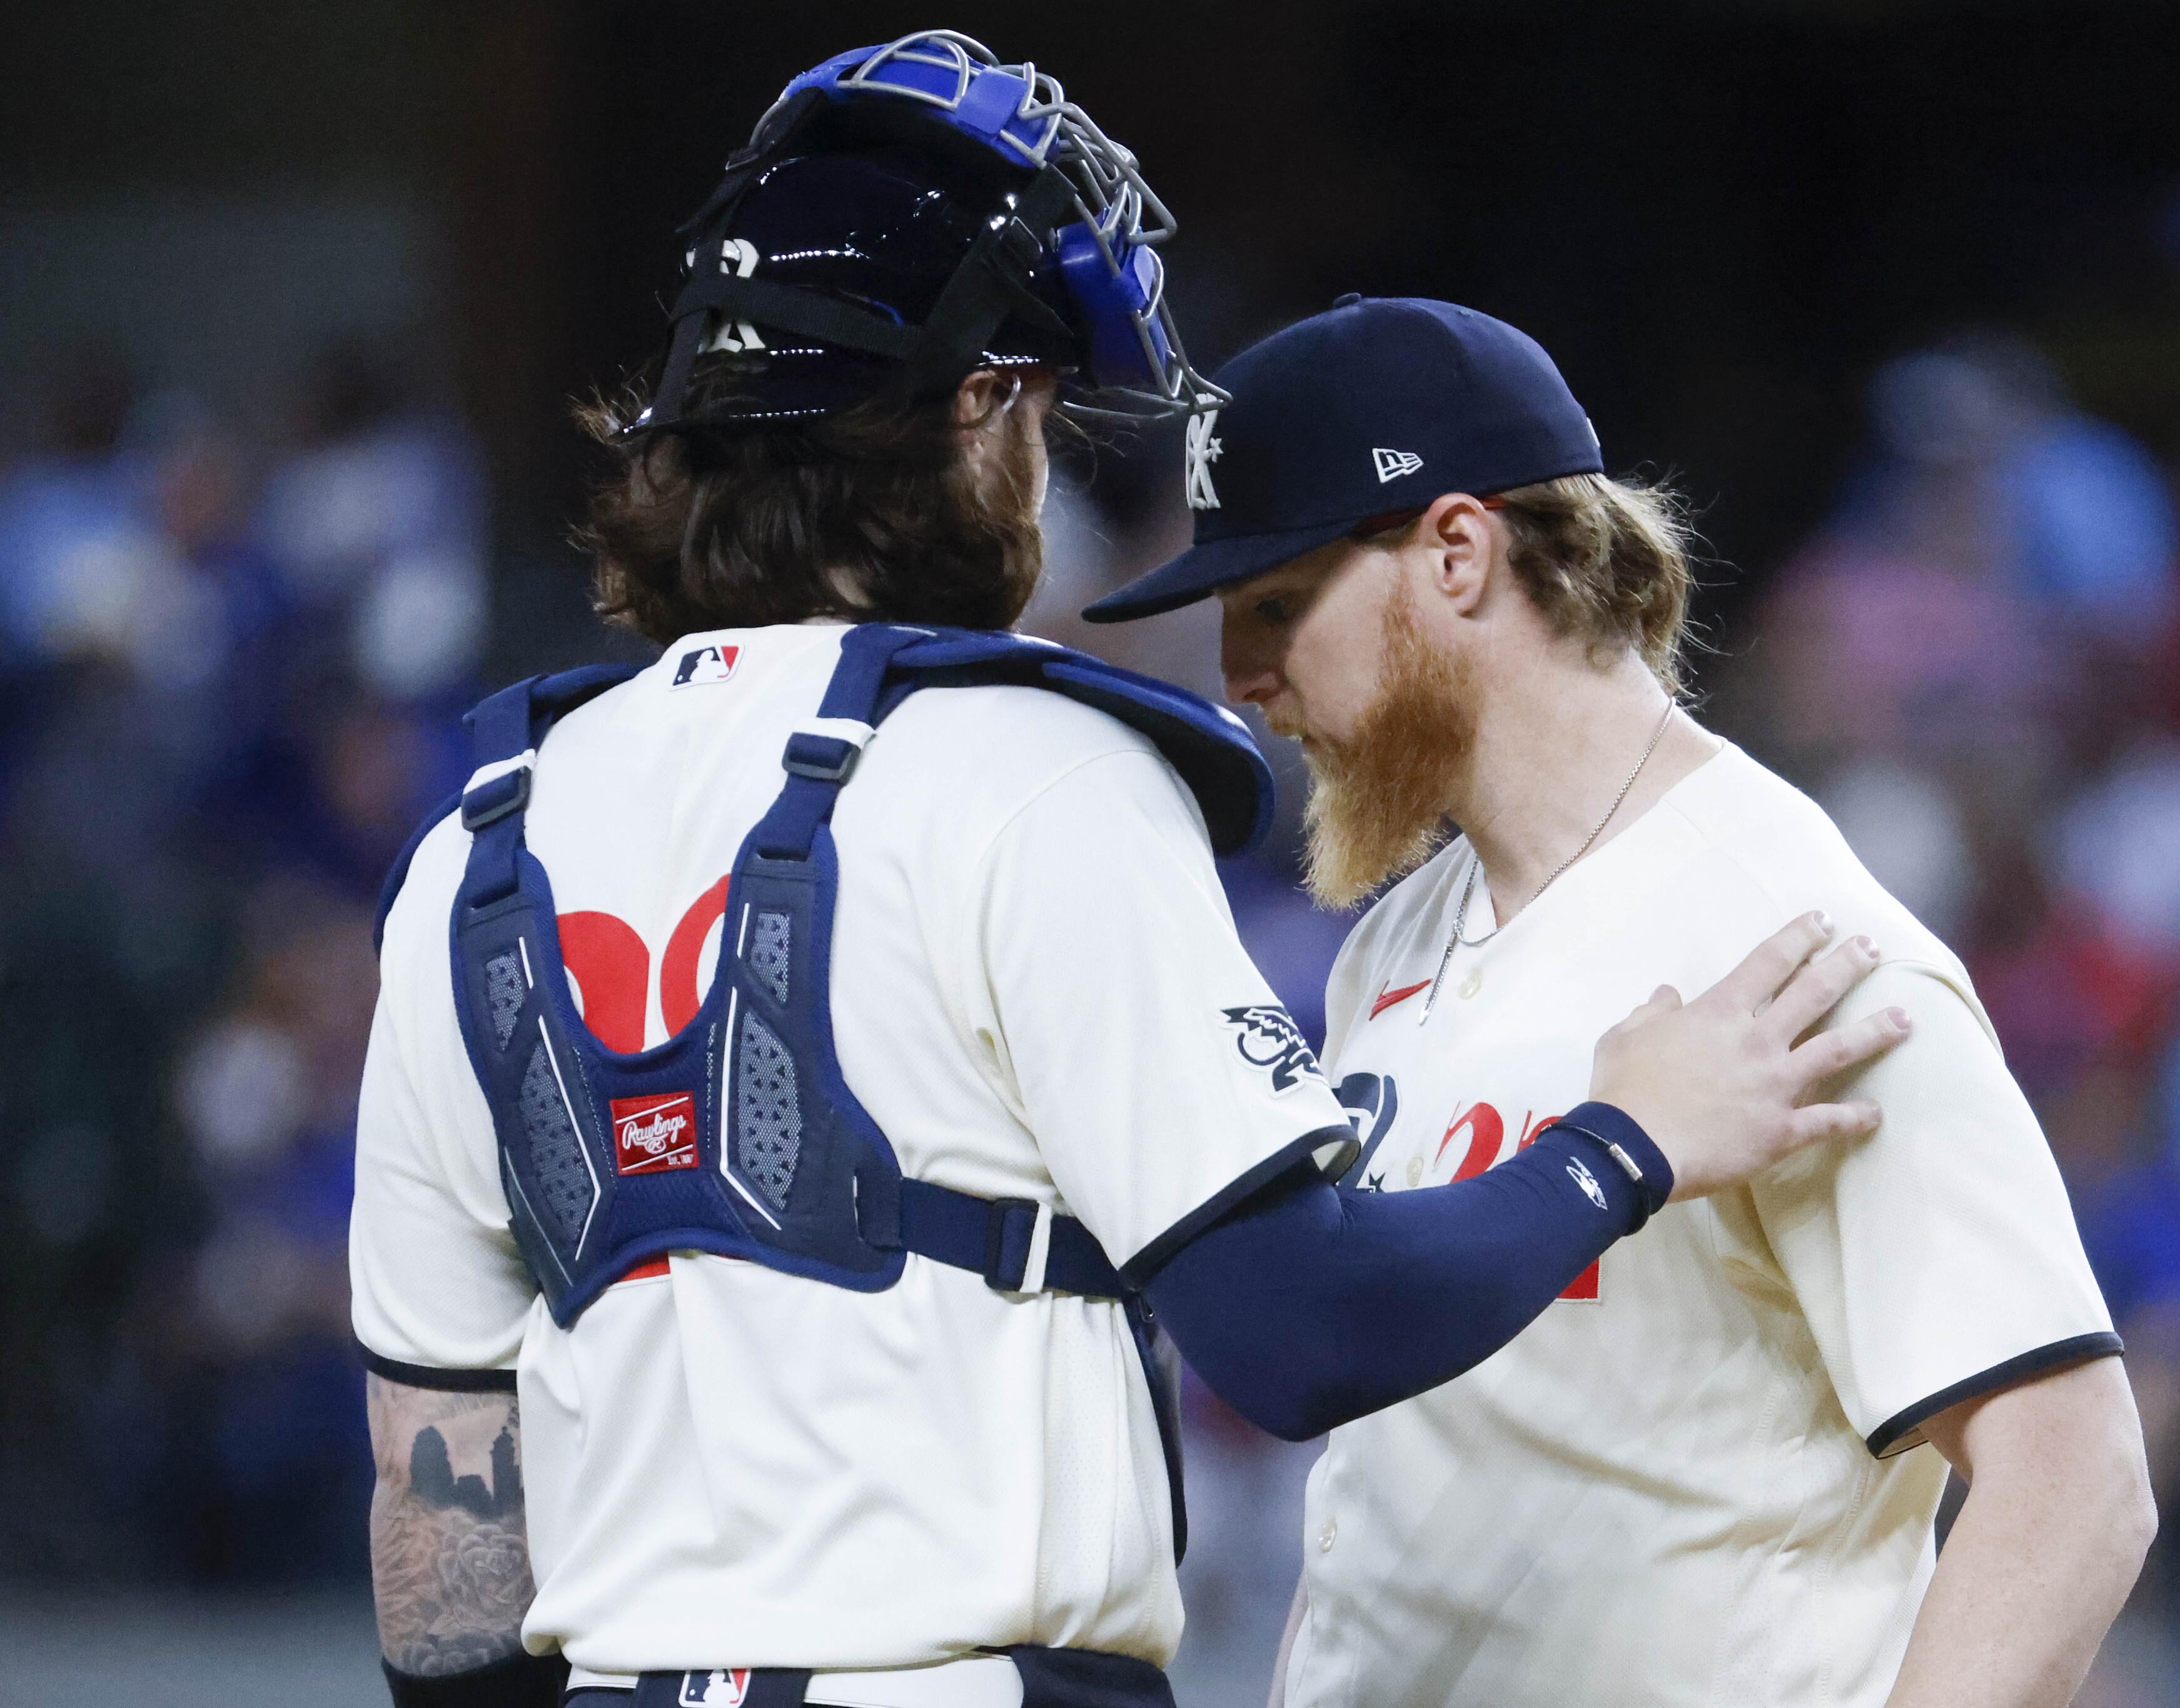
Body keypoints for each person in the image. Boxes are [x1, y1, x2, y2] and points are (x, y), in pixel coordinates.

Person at [348, 39, 1907, 1708]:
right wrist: (1622, 1143)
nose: (1046, 459)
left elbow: (440, 1548)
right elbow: (1297, 1328)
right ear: (975, 410)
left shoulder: (480, 840)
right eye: (1040, 406)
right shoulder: (1033, 771)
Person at [1081, 294, 2157, 1708]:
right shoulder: (1392, 940)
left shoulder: (1789, 946)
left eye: (1276, 603)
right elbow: (1383, 1492)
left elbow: (2074, 1480)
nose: (1239, 677)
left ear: (1456, 553)